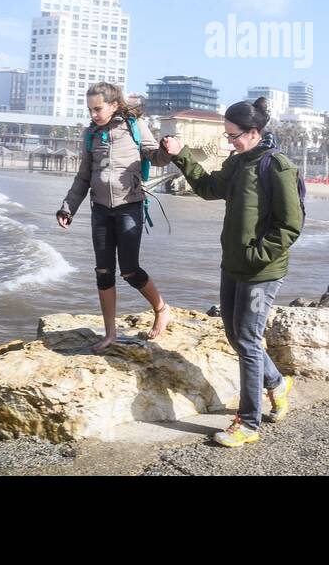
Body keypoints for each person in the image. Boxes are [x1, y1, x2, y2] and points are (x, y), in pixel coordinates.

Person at [161, 97, 304, 448]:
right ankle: (276, 383)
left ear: (254, 132)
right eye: (227, 136)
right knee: (236, 336)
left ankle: (249, 423)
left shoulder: (277, 166)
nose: (230, 142)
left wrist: (257, 255)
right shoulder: (238, 163)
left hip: (261, 271)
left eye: (234, 136)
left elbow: (290, 225)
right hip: (232, 265)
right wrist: (181, 156)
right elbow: (211, 189)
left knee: (249, 340)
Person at [57, 82, 174, 352]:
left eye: (98, 108)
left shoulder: (134, 126)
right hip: (100, 210)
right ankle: (110, 333)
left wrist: (166, 150)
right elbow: (83, 177)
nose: (93, 114)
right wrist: (67, 208)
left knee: (130, 270)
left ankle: (161, 308)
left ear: (113, 105)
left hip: (129, 206)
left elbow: (155, 156)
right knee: (103, 272)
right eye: (90, 109)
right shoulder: (91, 134)